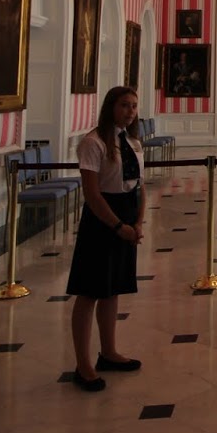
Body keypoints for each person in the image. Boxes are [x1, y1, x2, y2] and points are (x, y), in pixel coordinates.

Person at [65, 86, 147, 391]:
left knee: (113, 288)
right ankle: (83, 364)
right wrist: (117, 226)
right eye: (125, 105)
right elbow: (92, 193)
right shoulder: (93, 142)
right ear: (111, 106)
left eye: (134, 106)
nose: (130, 111)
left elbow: (140, 185)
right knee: (89, 291)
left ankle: (109, 352)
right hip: (102, 219)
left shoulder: (133, 141)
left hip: (126, 214)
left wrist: (137, 221)